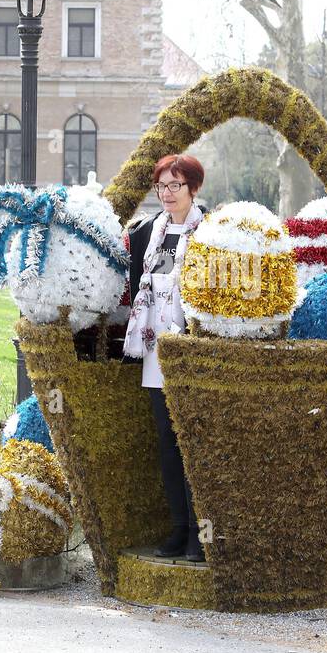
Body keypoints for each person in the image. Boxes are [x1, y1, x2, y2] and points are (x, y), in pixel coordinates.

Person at [122, 154, 207, 562]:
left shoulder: (211, 234)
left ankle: (199, 535)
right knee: (168, 444)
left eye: (176, 185)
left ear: (193, 188)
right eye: (162, 186)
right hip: (155, 351)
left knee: (195, 444)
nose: (168, 193)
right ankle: (178, 529)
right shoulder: (146, 234)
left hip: (192, 353)